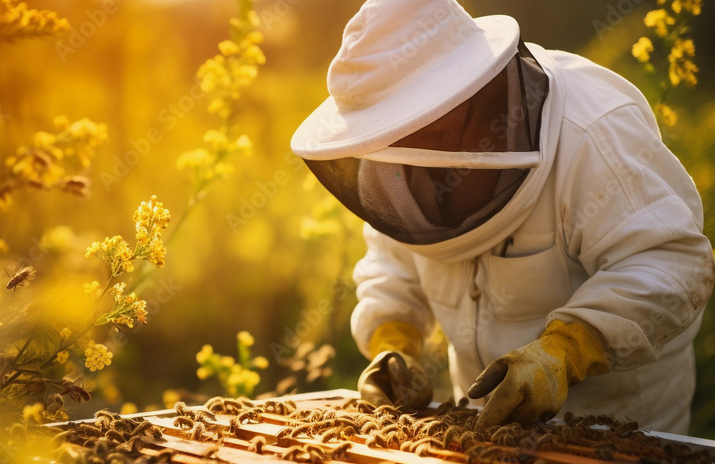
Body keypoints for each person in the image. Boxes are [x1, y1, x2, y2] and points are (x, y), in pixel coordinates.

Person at [291, 0, 714, 433]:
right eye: (389, 131)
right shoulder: (397, 163)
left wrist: (568, 349)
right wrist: (393, 342)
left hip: (622, 436)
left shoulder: (592, 131)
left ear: (467, 98)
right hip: (480, 431)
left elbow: (670, 262)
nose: (405, 147)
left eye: (418, 126)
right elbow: (391, 262)